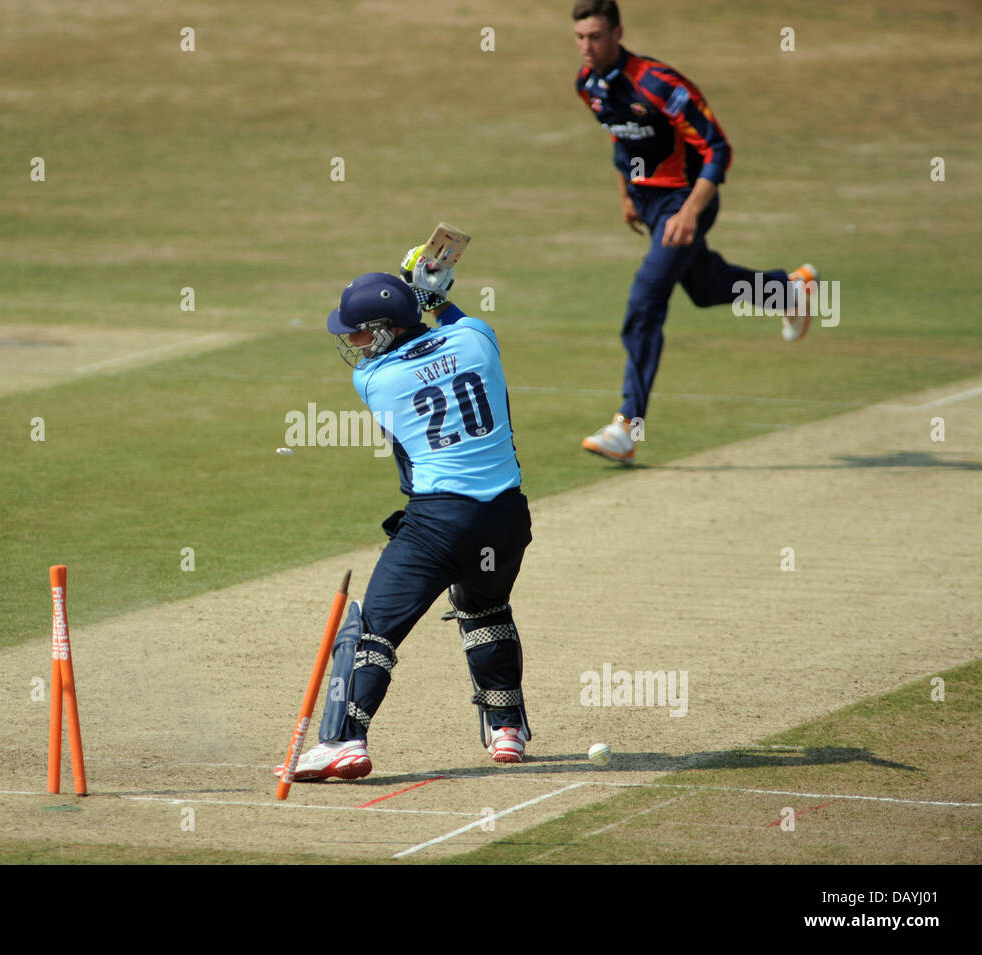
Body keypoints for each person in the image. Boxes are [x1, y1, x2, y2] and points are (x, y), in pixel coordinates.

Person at [277, 259, 534, 781]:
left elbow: (413, 356)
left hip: (439, 523)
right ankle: (507, 728)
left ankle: (343, 742)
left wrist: (420, 300)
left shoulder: (373, 379)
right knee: (484, 608)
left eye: (359, 332)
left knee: (371, 630)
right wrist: (433, 294)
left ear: (385, 330)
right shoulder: (479, 339)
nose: (353, 341)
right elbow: (455, 326)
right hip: (507, 519)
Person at [571, 0, 819, 465]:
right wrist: (627, 193)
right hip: (650, 204)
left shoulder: (659, 83)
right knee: (703, 288)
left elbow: (717, 148)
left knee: (645, 301)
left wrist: (687, 212)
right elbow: (620, 136)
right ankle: (788, 292)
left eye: (596, 36)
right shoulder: (588, 85)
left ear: (618, 32)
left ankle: (627, 426)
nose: (588, 45)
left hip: (685, 200)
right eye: (581, 37)